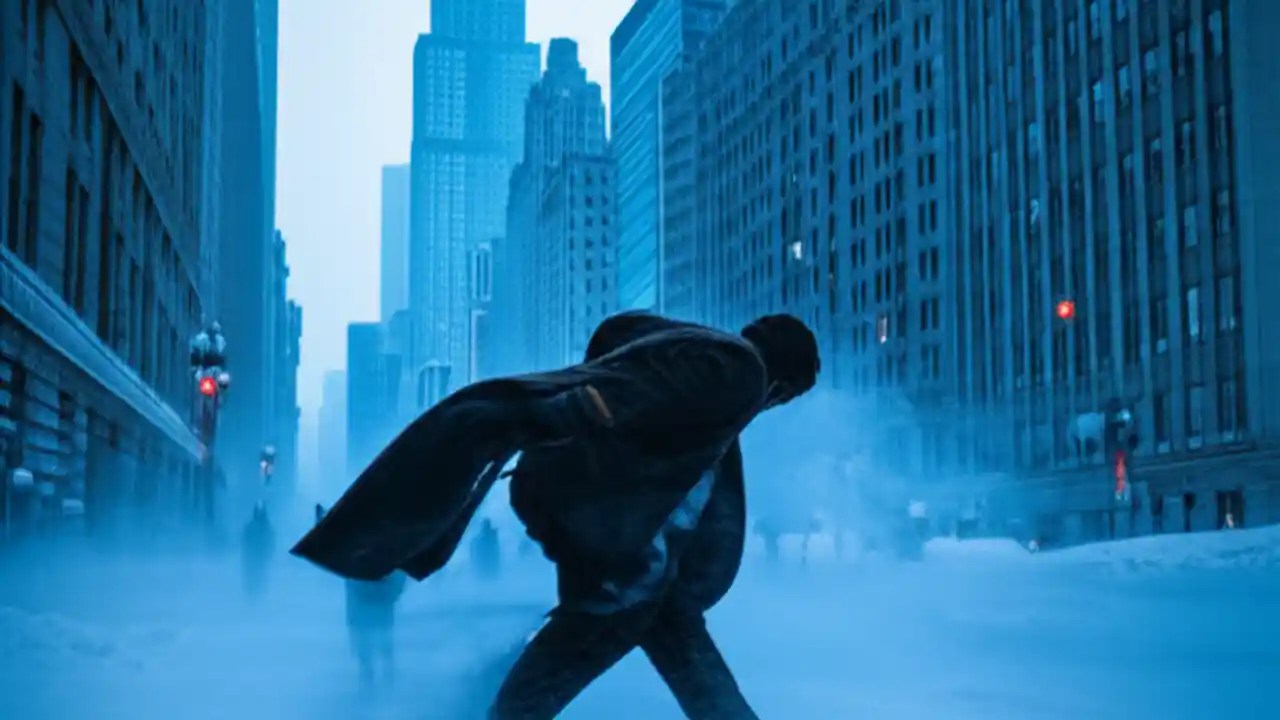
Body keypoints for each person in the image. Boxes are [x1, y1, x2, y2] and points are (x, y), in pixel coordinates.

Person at [293, 311, 820, 719]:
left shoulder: (707, 369)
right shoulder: (740, 370)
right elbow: (625, 398)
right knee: (532, 699)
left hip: (651, 582)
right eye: (786, 397)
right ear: (783, 383)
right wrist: (580, 414)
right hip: (627, 581)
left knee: (705, 692)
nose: (775, 406)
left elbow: (624, 358)